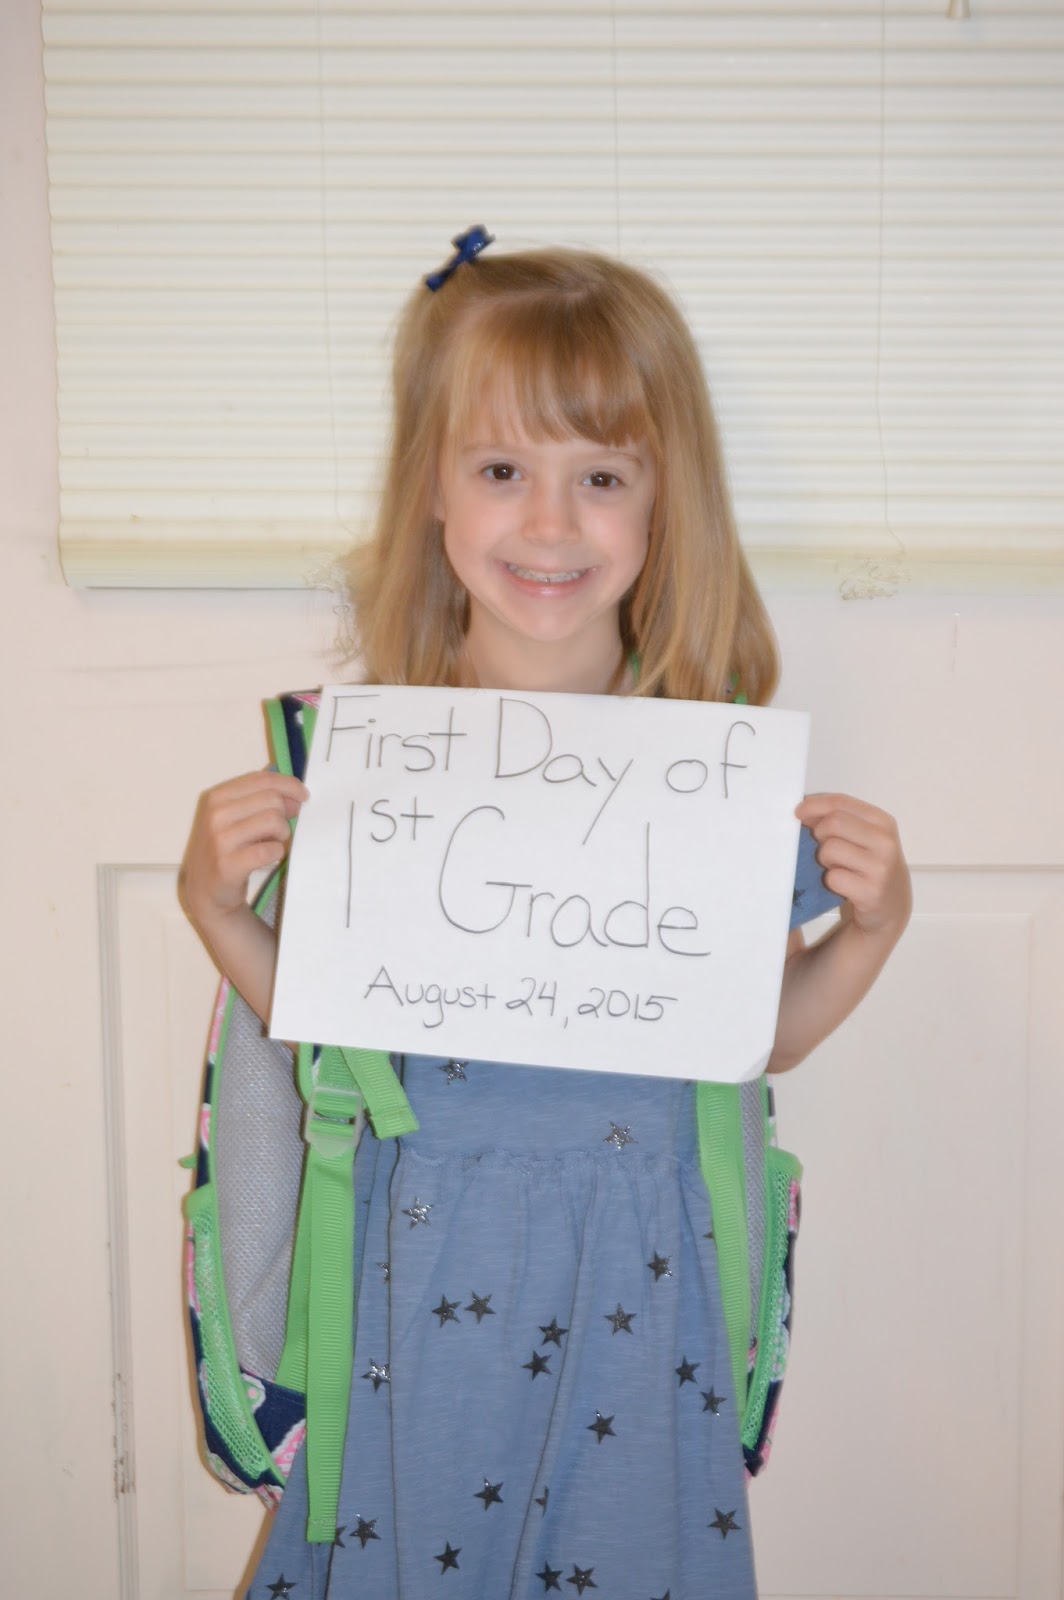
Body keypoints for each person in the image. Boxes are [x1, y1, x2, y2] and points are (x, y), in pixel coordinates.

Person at [181, 232, 911, 1599]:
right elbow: (316, 1029)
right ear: (435, 496)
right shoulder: (357, 769)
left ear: (661, 502)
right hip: (415, 1272)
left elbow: (761, 1036)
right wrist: (218, 909)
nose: (551, 523)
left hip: (642, 1285)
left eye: (602, 477)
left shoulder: (707, 771)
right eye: (502, 469)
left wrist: (864, 935)